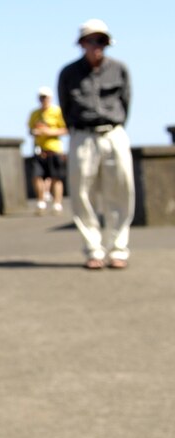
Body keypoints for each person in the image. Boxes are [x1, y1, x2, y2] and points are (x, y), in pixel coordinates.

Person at [57, 18, 133, 270]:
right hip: (82, 135)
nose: (97, 46)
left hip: (113, 133)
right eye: (92, 40)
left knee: (120, 191)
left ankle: (118, 248)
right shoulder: (68, 73)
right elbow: (65, 108)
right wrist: (77, 132)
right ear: (82, 43)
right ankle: (93, 248)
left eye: (102, 40)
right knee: (81, 193)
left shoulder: (119, 69)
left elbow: (126, 102)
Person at [28, 86, 68, 214]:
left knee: (56, 178)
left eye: (45, 97)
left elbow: (65, 129)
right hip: (39, 149)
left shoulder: (57, 112)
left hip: (54, 150)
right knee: (36, 176)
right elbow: (30, 129)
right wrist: (35, 132)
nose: (43, 100)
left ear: (50, 98)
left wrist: (48, 132)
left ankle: (57, 204)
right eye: (41, 97)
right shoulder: (35, 114)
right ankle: (41, 202)